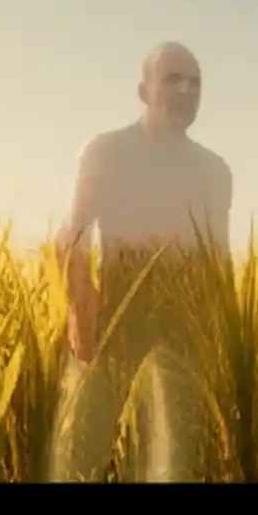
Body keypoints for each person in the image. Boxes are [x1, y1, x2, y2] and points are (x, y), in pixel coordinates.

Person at [51, 40, 233, 482]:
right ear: (143, 90)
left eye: (195, 83)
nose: (186, 91)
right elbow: (72, 234)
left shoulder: (213, 170)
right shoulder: (109, 151)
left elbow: (219, 261)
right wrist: (80, 306)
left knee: (175, 460)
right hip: (115, 326)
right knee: (87, 454)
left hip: (185, 337)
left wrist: (226, 343)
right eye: (173, 79)